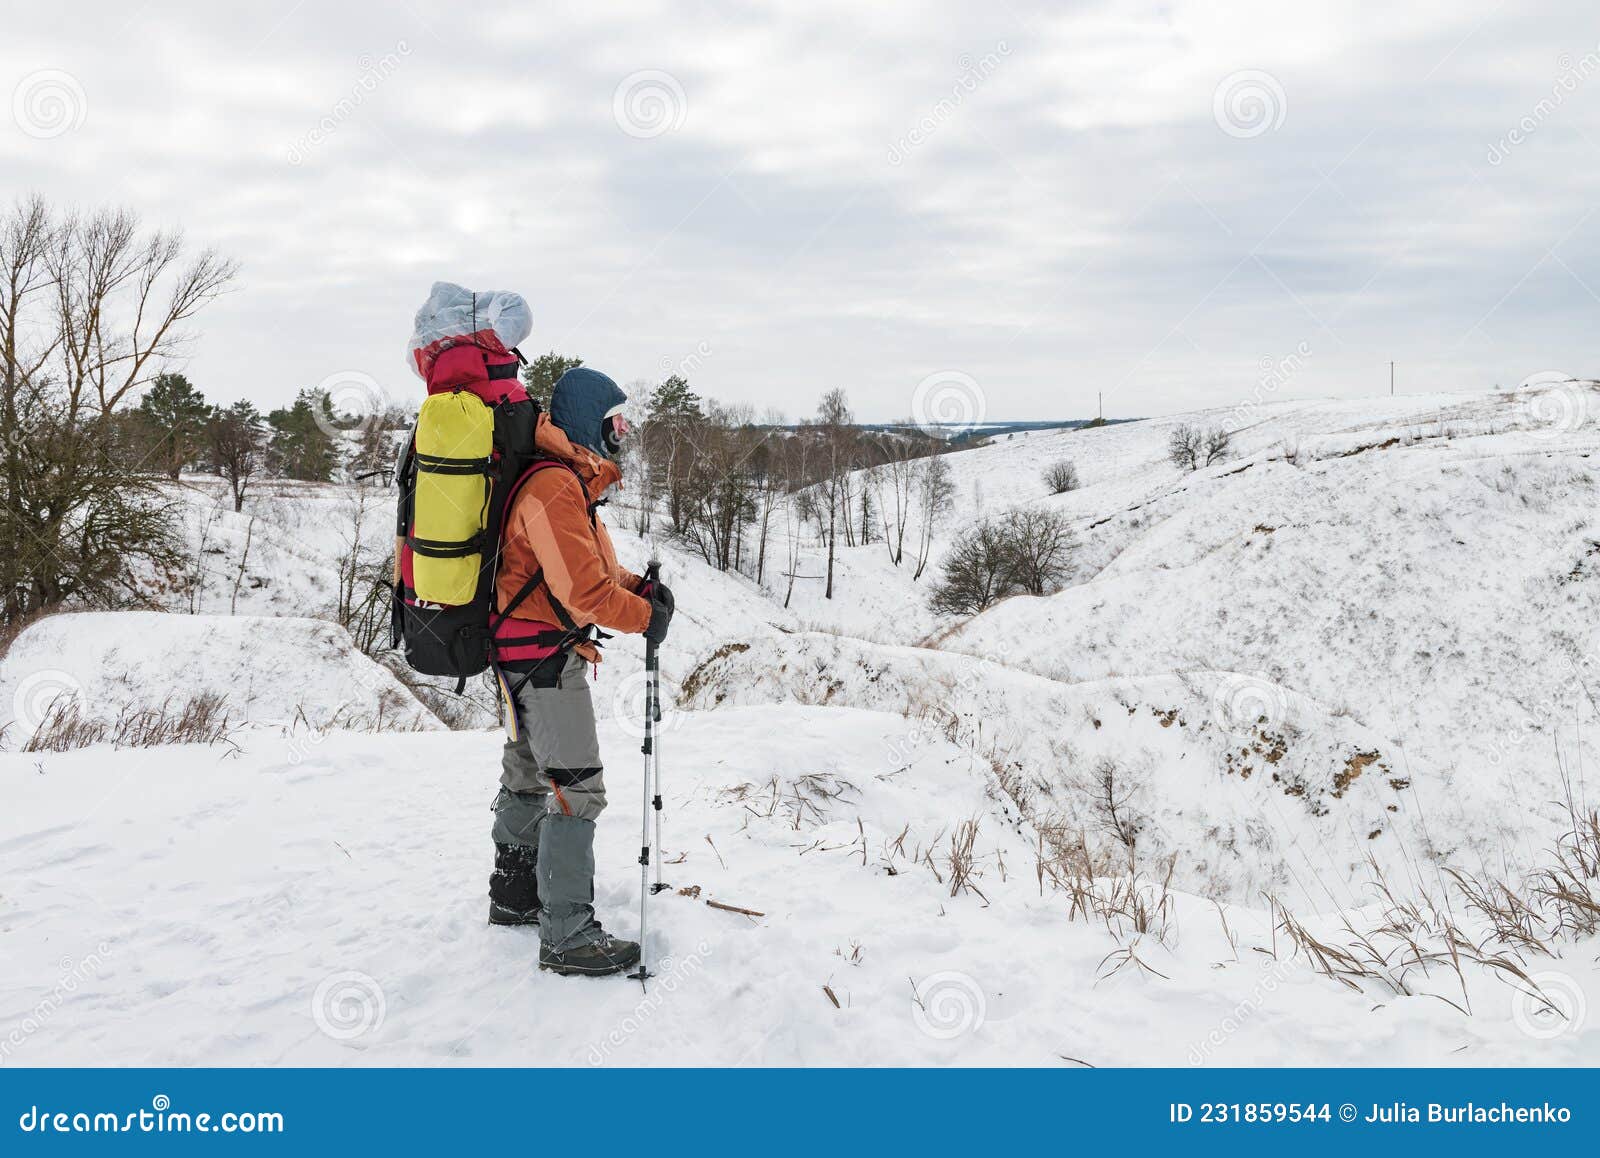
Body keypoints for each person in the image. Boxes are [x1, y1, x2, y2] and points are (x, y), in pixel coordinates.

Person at [487, 367, 675, 976]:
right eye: (616, 421)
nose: (623, 433)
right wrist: (644, 616)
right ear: (589, 421)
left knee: (528, 770)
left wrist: (639, 589)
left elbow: (594, 571)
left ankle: (516, 895)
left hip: (521, 653)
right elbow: (585, 592)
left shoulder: (565, 484)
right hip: (541, 658)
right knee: (578, 787)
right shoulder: (555, 487)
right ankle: (565, 934)